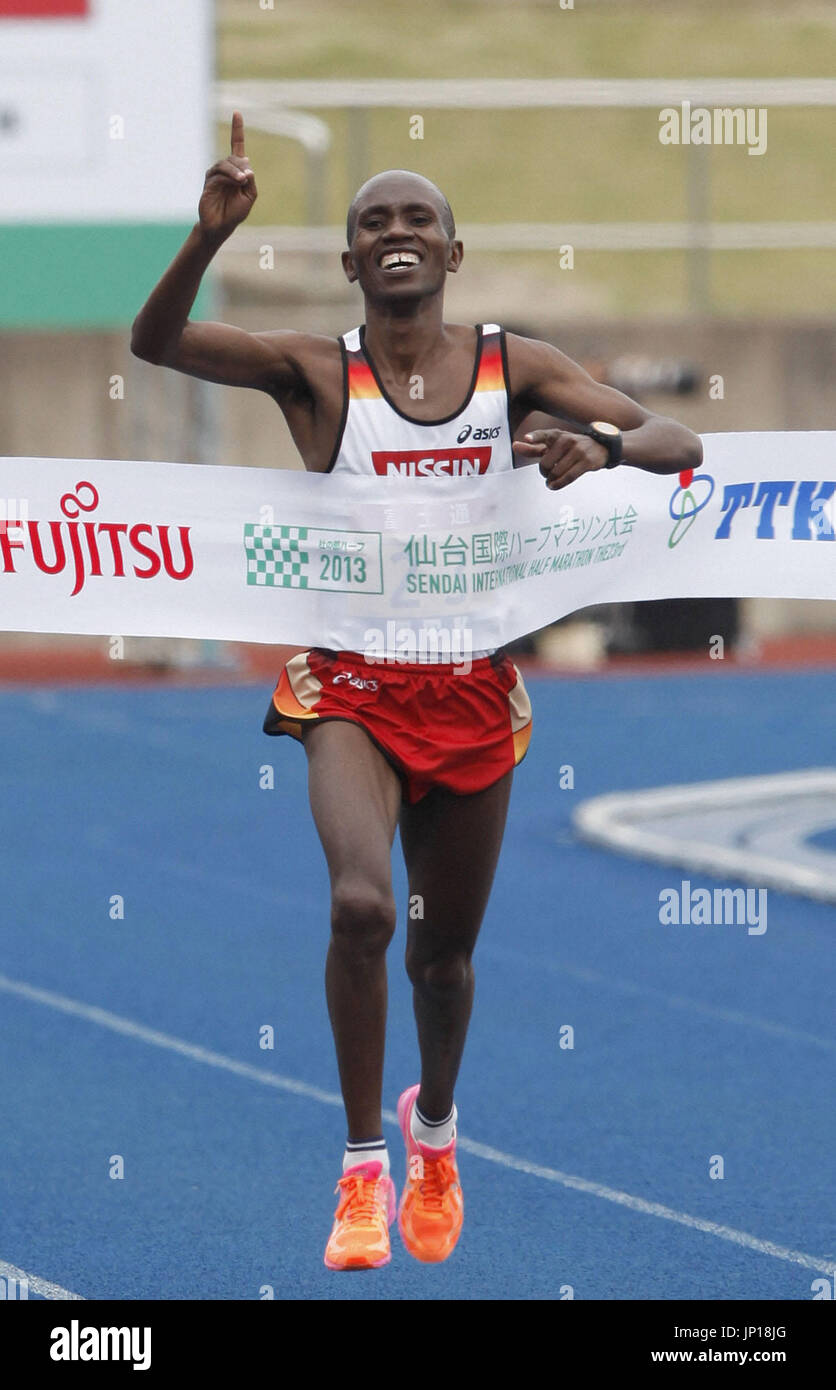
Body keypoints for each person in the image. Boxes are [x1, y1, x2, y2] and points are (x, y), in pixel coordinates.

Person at [131, 112, 702, 1271]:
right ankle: (358, 1172)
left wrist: (599, 449)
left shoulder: (512, 367)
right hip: (347, 686)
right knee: (360, 907)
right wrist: (203, 237)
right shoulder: (311, 370)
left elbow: (676, 439)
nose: (395, 233)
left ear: (449, 251)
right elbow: (160, 341)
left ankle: (432, 1130)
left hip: (469, 692)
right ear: (350, 265)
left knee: (440, 961)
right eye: (371, 223)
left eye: (416, 220)